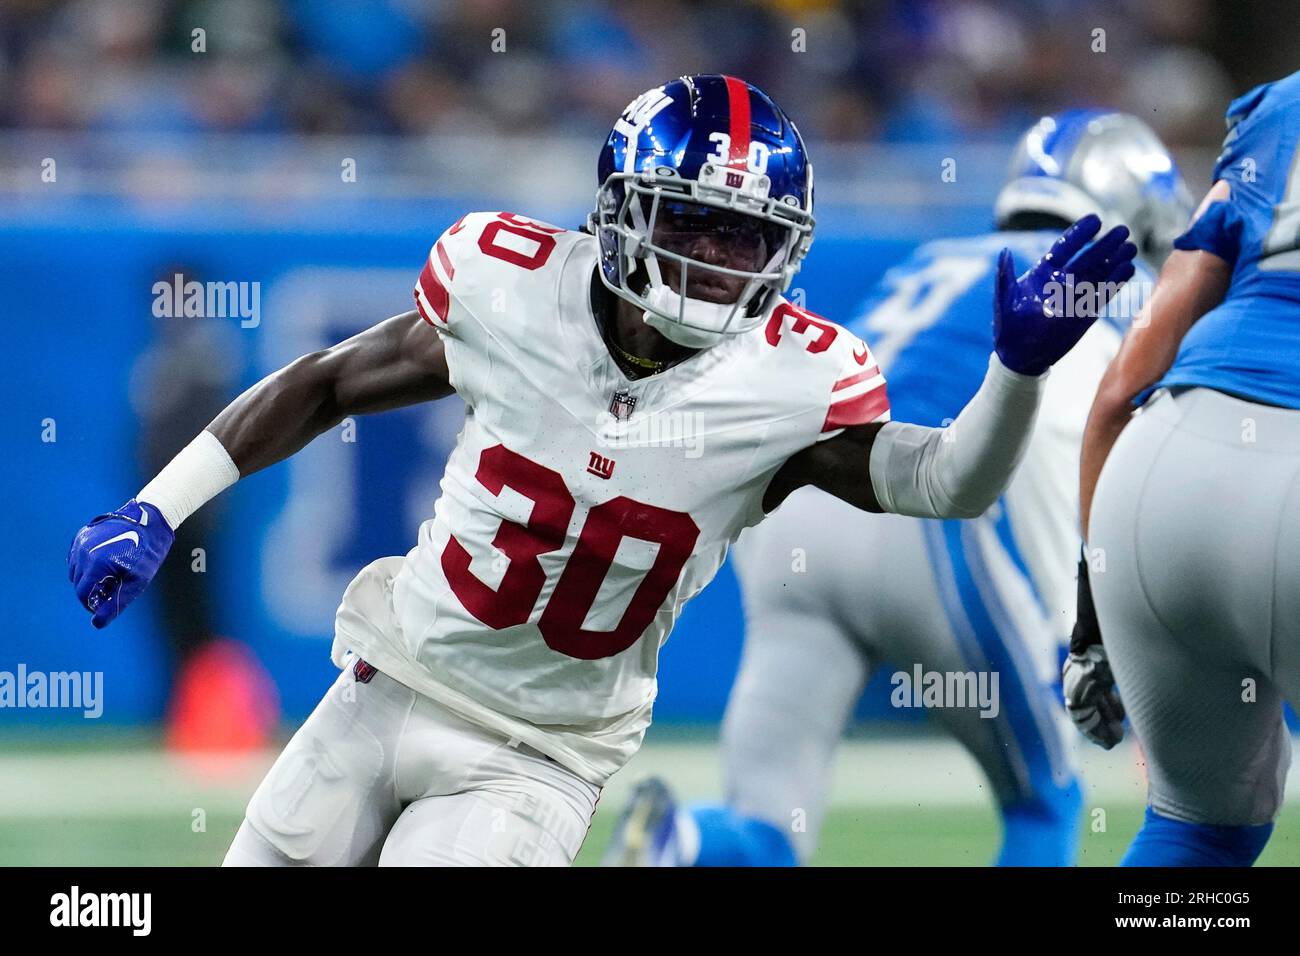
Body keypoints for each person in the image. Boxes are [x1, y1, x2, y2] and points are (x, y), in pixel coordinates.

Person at [67, 74, 1134, 867]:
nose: (716, 259)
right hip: (380, 690)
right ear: (621, 206)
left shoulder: (786, 381)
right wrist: (157, 508)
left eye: (742, 237)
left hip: (535, 755)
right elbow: (327, 381)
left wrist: (1016, 375)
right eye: (694, 224)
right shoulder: (508, 286)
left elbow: (946, 482)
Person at [602, 110, 1188, 867]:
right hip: (928, 506)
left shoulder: (936, 256)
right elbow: (1077, 443)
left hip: (802, 506)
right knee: (1045, 799)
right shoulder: (1110, 283)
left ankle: (680, 846)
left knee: (769, 819)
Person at [1071, 70, 1300, 867]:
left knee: (1197, 831)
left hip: (1159, 473)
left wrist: (1090, 617)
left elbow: (1118, 391)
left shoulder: (1281, 109)